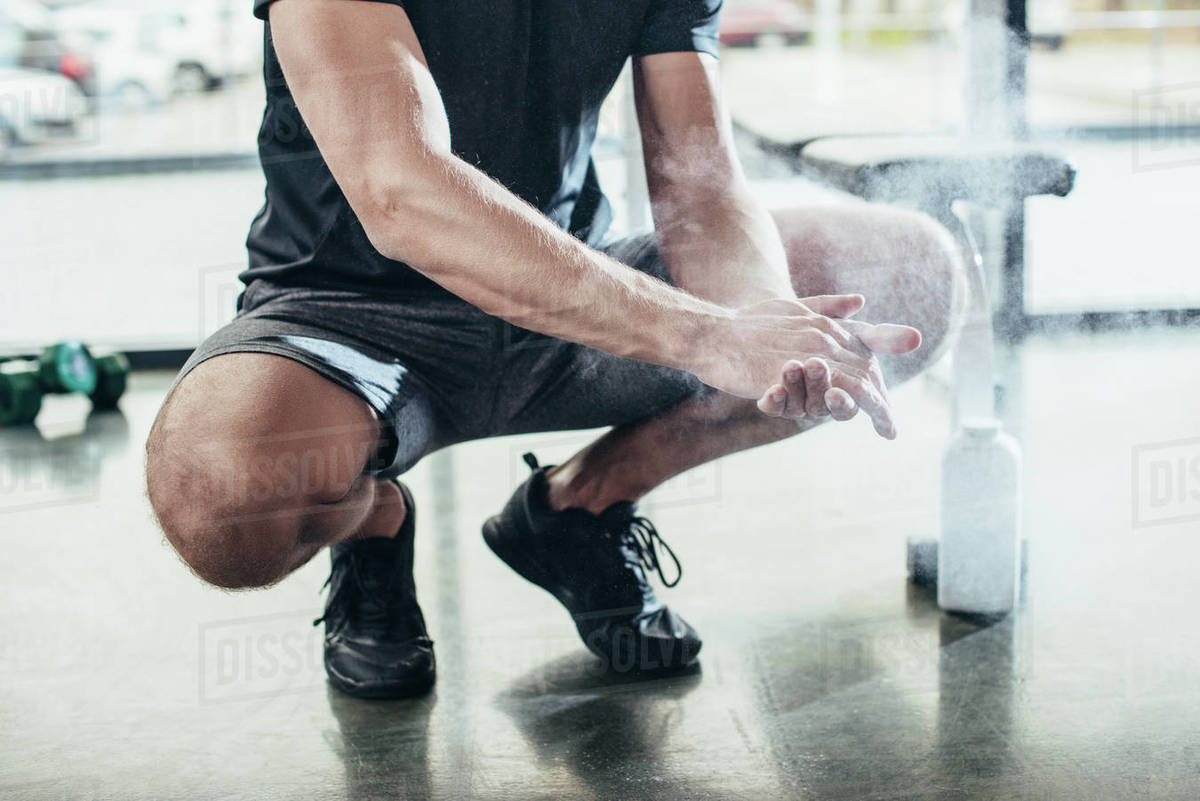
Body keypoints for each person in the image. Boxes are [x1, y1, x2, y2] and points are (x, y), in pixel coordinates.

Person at [146, 0, 961, 698]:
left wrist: (765, 318)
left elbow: (701, 180)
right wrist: (710, 335)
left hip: (568, 293)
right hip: (352, 315)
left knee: (911, 275)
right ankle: (368, 518)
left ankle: (582, 507)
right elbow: (402, 190)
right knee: (223, 499)